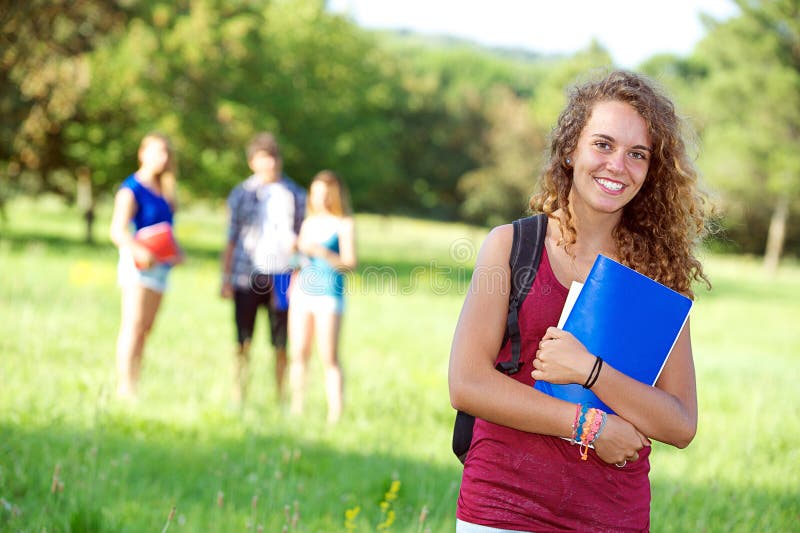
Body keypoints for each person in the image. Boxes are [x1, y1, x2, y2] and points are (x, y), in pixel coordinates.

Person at [448, 70, 711, 532]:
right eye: (603, 144)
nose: (617, 166)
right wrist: (588, 426)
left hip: (611, 513)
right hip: (504, 504)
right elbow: (467, 382)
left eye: (637, 154)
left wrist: (592, 371)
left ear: (651, 171)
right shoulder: (512, 247)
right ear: (571, 149)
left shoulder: (657, 275)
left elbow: (681, 423)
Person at [221, 132, 306, 407]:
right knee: (242, 339)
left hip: (282, 274)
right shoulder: (242, 193)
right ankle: (239, 393)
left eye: (273, 158)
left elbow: (302, 238)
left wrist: (298, 275)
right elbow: (231, 238)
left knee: (280, 341)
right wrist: (225, 278)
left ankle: (280, 396)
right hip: (247, 273)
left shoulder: (294, 193)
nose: (269, 164)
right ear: (252, 162)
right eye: (263, 159)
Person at [109, 132, 181, 399]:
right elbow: (118, 231)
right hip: (138, 266)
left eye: (165, 153)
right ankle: (124, 387)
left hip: (161, 268)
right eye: (156, 152)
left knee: (146, 330)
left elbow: (166, 231)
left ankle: (135, 382)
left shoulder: (165, 190)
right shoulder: (131, 189)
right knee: (133, 326)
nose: (161, 158)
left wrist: (176, 252)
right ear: (143, 154)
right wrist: (140, 250)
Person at [288, 170, 357, 424]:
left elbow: (350, 263)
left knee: (329, 356)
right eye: (315, 193)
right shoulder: (308, 223)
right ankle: (296, 407)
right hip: (302, 293)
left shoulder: (344, 224)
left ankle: (335, 414)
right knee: (299, 352)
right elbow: (300, 261)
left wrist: (322, 252)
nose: (320, 199)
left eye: (325, 194)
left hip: (329, 294)